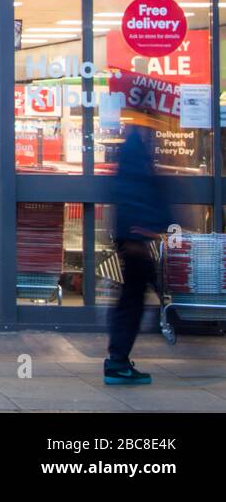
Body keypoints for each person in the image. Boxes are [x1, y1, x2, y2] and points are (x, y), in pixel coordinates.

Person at [105, 116, 173, 385]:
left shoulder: (137, 143)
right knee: (132, 298)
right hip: (134, 236)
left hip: (134, 233)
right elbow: (134, 190)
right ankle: (117, 362)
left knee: (131, 297)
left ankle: (118, 359)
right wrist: (139, 231)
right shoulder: (136, 145)